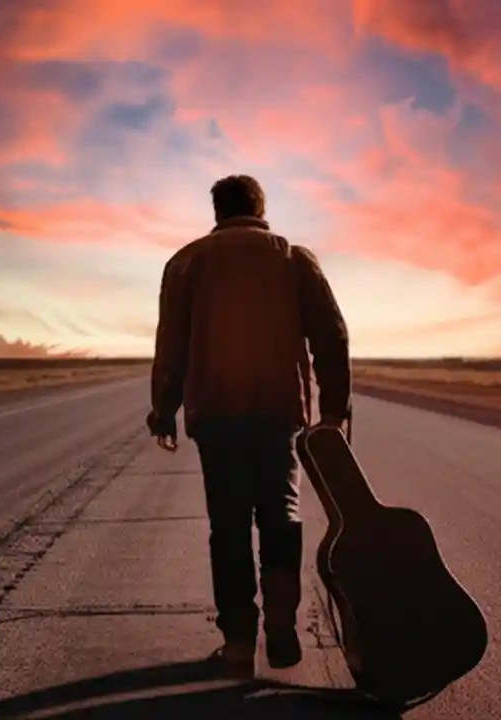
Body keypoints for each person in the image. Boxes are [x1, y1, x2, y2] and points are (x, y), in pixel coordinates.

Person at [146, 174, 351, 679]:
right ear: (262, 209)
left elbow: (170, 345)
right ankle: (281, 622)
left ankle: (239, 643)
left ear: (217, 211)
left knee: (228, 524)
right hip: (279, 406)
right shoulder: (291, 259)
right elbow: (332, 334)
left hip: (214, 411)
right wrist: (334, 409)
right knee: (281, 510)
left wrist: (163, 408)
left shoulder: (186, 262)